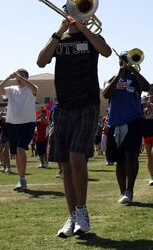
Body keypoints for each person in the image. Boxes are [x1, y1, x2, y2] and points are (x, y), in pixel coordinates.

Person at [36, 14, 112, 236]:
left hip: (87, 105)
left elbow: (106, 52)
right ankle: (72, 217)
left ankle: (82, 212)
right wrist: (60, 30)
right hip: (63, 107)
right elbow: (41, 61)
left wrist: (84, 29)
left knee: (77, 157)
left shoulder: (93, 38)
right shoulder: (59, 41)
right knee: (65, 166)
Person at [103, 51, 150, 205]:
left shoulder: (135, 79)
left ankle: (130, 190)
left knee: (131, 155)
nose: (124, 62)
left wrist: (134, 71)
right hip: (115, 122)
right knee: (120, 159)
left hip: (133, 121)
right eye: (122, 60)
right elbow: (106, 94)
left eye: (127, 60)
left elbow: (146, 86)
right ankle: (122, 191)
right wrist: (119, 75)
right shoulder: (110, 79)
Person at [0, 69, 39, 192]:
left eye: (22, 76)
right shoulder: (11, 89)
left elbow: (34, 89)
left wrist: (19, 77)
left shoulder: (31, 88)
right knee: (16, 152)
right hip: (13, 124)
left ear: (27, 77)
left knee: (21, 149)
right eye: (18, 76)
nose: (18, 78)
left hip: (27, 123)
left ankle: (22, 180)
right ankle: (21, 179)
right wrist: (9, 78)